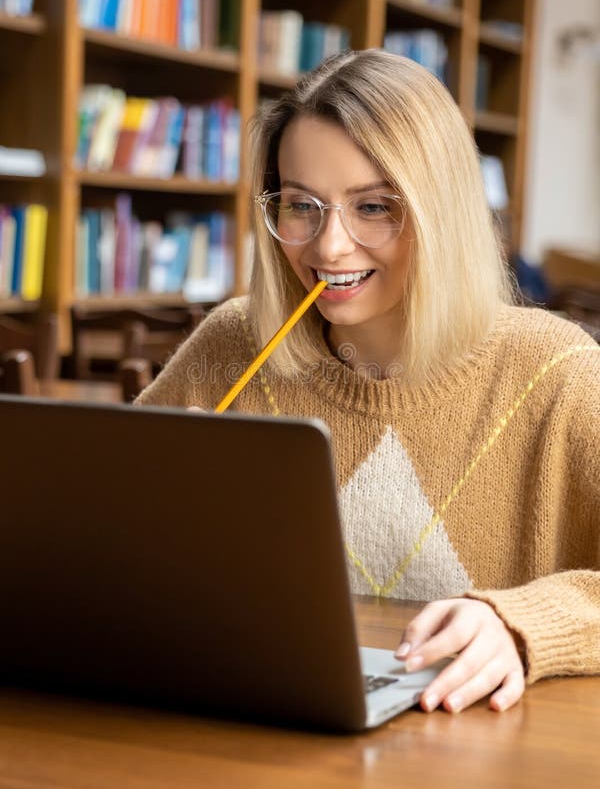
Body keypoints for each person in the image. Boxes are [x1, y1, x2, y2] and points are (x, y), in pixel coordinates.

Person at [136, 50, 599, 715]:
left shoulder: (556, 372)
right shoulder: (233, 346)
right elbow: (98, 539)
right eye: (302, 206)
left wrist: (521, 624)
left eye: (374, 207)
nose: (328, 249)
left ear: (441, 211)